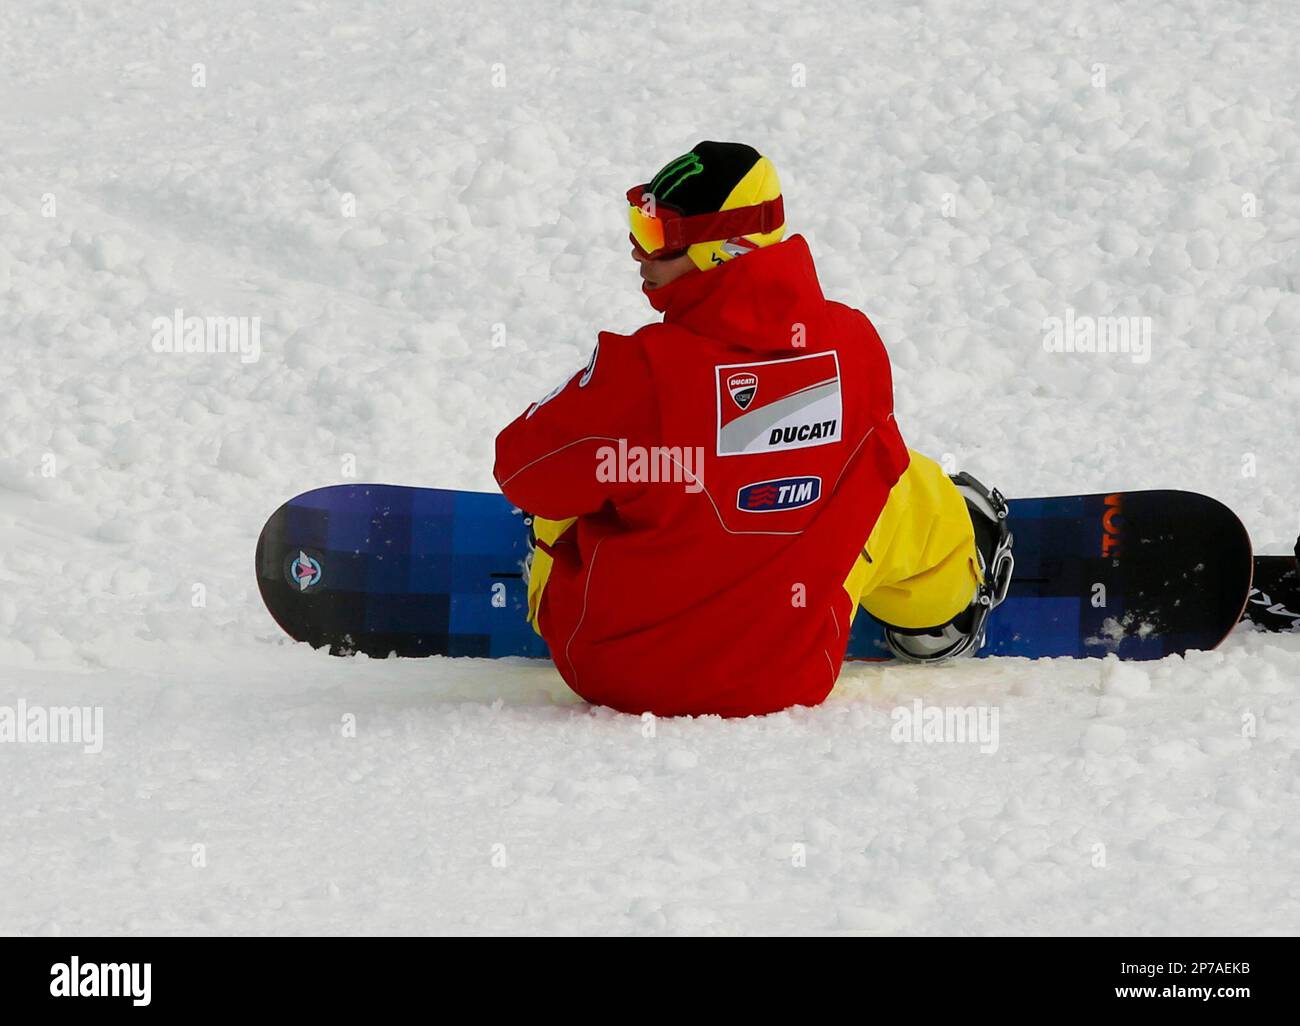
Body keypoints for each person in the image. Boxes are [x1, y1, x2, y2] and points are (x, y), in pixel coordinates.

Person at [493, 141, 1012, 717]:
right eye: (636, 222)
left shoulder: (637, 373)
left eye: (657, 234)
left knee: (573, 472)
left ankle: (566, 568)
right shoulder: (854, 344)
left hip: (613, 674)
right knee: (893, 478)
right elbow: (874, 471)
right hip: (790, 673)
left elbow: (517, 469)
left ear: (721, 251)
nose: (637, 251)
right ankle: (943, 603)